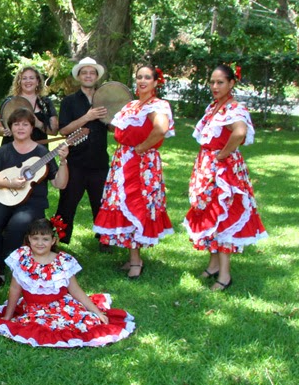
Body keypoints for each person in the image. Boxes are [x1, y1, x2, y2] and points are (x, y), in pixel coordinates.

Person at [183, 65, 267, 291]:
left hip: (223, 172)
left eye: (220, 82)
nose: (215, 86)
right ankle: (213, 265)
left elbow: (239, 132)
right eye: (212, 82)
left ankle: (225, 274)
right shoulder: (214, 107)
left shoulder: (234, 108)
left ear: (231, 83)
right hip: (209, 168)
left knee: (223, 217)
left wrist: (221, 155)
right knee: (210, 215)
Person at [0, 218, 136, 347]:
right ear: (28, 239)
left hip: (60, 306)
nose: (40, 243)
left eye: (45, 239)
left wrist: (96, 311)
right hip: (33, 308)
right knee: (38, 326)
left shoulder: (62, 261)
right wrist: (8, 315)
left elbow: (75, 289)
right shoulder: (22, 257)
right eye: (35, 238)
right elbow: (15, 288)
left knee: (78, 324)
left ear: (53, 240)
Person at [93, 66, 175, 279]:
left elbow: (161, 129)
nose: (142, 81)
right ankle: (132, 256)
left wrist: (141, 147)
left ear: (156, 82)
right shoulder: (131, 105)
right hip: (124, 160)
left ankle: (136, 261)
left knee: (136, 204)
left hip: (141, 163)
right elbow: (117, 129)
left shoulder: (158, 105)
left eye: (147, 77)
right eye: (139, 77)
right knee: (122, 204)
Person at [0, 108, 69, 282]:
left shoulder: (42, 152)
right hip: (6, 196)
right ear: (11, 128)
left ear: (31, 128)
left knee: (18, 224)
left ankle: (9, 265)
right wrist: (8, 183)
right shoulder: (4, 151)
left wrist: (64, 161)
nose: (20, 128)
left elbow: (60, 184)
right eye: (16, 124)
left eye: (25, 124)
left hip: (33, 202)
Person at [55, 57, 109, 248]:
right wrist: (87, 117)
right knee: (67, 203)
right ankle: (59, 239)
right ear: (79, 77)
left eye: (92, 73)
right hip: (75, 162)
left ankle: (105, 239)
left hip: (100, 162)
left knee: (102, 203)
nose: (88, 76)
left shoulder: (105, 100)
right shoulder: (69, 101)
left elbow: (112, 128)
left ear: (96, 77)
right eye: (84, 72)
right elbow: (63, 130)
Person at [0, 65, 58, 146]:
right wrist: (5, 131)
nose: (28, 81)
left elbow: (54, 131)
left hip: (38, 152)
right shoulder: (9, 102)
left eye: (31, 78)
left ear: (38, 81)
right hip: (12, 151)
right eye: (24, 78)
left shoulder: (46, 103)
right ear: (19, 82)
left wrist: (38, 123)